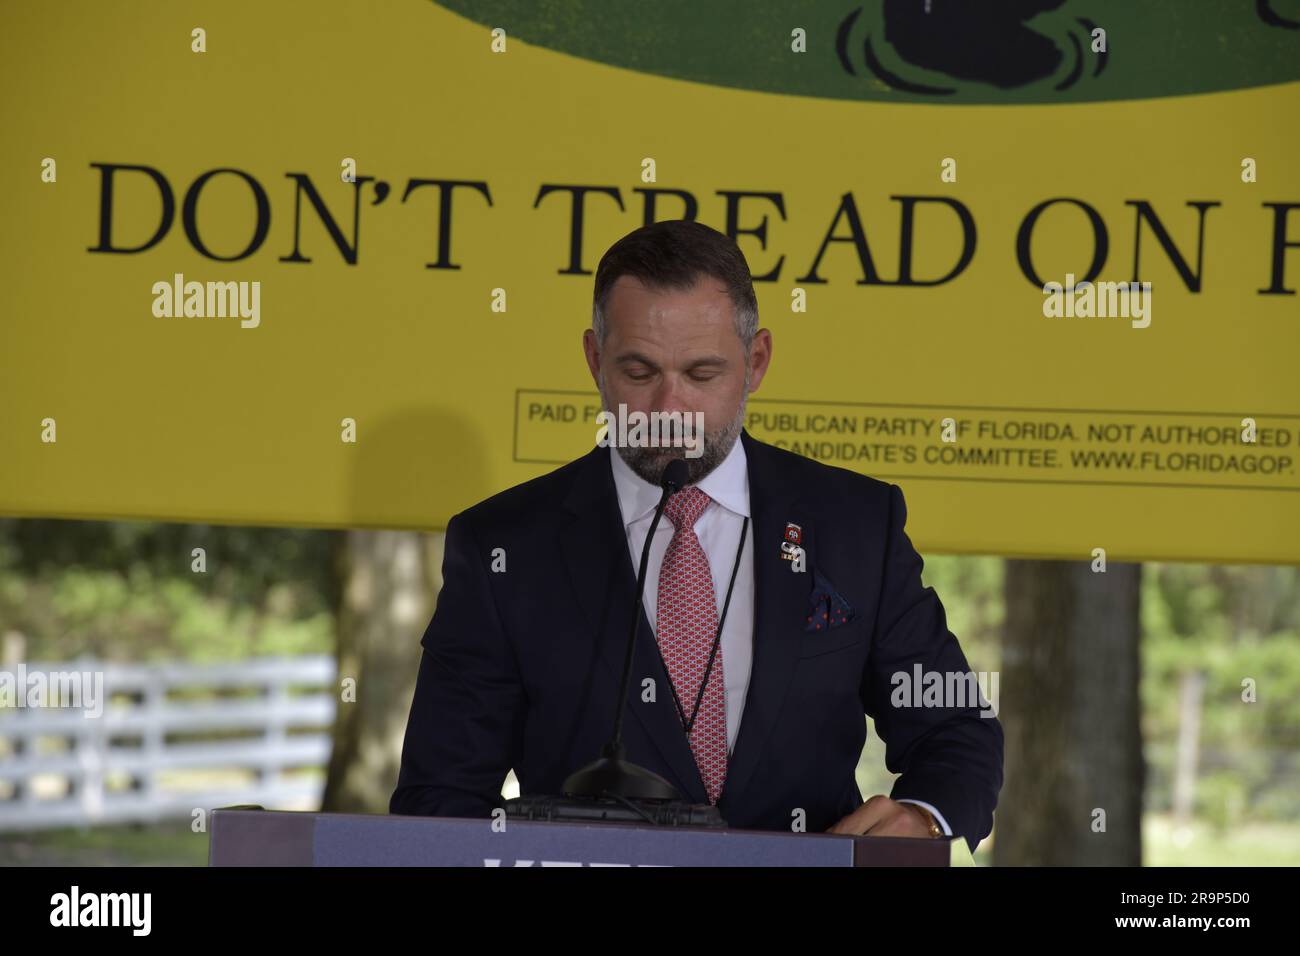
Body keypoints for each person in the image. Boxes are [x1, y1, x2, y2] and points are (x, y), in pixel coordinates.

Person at [391, 219, 1003, 852]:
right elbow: (440, 798)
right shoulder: (505, 547)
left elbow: (955, 727)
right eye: (639, 371)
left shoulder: (855, 523)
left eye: (702, 374)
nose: (667, 408)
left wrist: (925, 816)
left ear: (756, 362)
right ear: (595, 359)